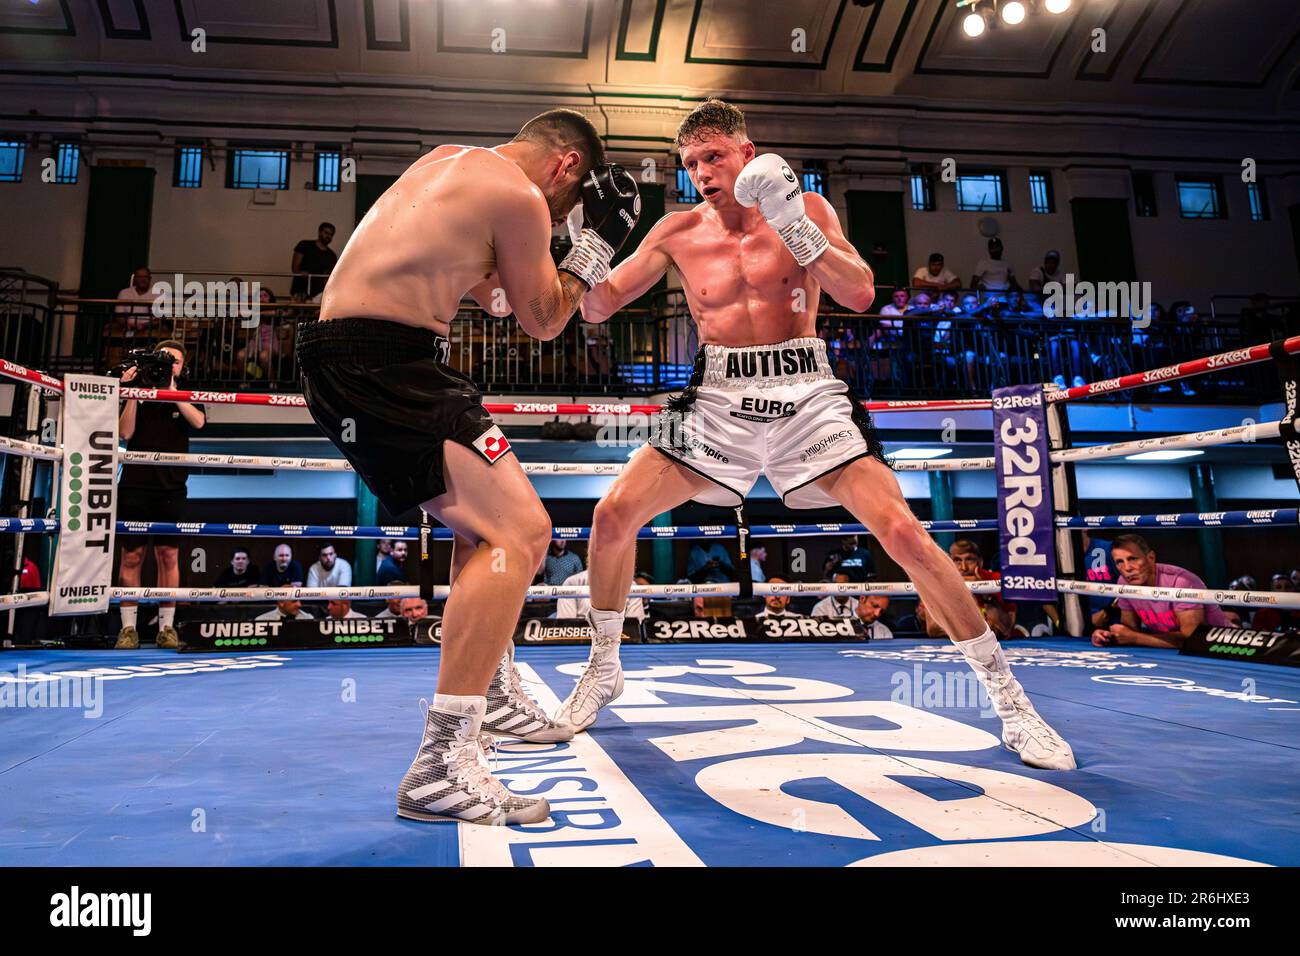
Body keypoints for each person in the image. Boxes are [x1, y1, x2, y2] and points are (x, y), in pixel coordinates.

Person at [556, 98, 1073, 771]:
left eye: (713, 157)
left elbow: (860, 294)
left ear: (747, 152)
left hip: (807, 393)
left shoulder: (810, 209)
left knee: (905, 534)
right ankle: (602, 668)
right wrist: (581, 246)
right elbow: (596, 306)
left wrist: (794, 224)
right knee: (612, 513)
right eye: (690, 165)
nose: (703, 174)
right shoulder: (676, 230)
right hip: (715, 396)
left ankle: (1011, 702)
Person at [295, 108, 640, 825]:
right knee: (525, 534)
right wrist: (599, 240)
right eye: (564, 207)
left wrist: (568, 251)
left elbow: (500, 298)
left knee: (482, 533)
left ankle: (491, 694)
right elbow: (545, 320)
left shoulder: (444, 162)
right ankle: (442, 762)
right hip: (382, 361)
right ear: (566, 166)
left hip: (362, 358)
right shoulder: (518, 195)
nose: (556, 218)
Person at [114, 340, 206, 649]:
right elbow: (124, 434)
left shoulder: (187, 391)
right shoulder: (140, 389)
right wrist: (133, 394)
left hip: (172, 487)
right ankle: (128, 629)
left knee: (168, 556)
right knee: (132, 556)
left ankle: (167, 628)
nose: (170, 365)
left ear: (182, 366)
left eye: (175, 361)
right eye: (165, 360)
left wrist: (171, 389)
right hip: (136, 485)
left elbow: (198, 421)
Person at [1091, 534, 1232, 648]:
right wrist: (1109, 636)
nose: (1127, 568)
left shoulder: (1181, 581)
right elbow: (1129, 631)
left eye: (1132, 559)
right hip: (1172, 652)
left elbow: (1192, 639)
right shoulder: (1124, 582)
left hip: (1224, 647)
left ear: (1151, 558)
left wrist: (1135, 638)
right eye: (1119, 562)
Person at [918, 540, 1017, 640]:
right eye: (957, 560)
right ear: (948, 563)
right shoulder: (938, 580)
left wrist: (986, 594)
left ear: (980, 562)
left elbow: (1006, 629)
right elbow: (933, 629)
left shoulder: (995, 580)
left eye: (970, 560)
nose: (964, 567)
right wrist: (981, 628)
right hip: (951, 646)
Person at [555, 569, 651, 623]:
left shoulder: (631, 585)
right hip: (579, 644)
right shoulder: (573, 582)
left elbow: (634, 627)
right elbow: (565, 626)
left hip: (620, 645)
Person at [291, 222, 339, 301]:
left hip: (318, 294)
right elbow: (294, 268)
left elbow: (329, 276)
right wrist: (301, 273)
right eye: (326, 233)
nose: (328, 236)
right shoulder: (304, 245)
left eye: (331, 234)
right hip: (300, 290)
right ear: (319, 232)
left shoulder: (332, 255)